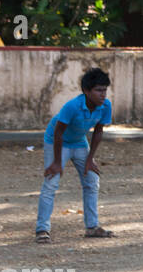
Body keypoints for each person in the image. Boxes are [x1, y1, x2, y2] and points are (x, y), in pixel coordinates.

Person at [35, 67, 114, 242]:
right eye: (98, 90)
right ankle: (42, 230)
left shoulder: (105, 106)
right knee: (51, 182)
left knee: (92, 180)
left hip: (79, 142)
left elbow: (98, 132)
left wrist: (90, 159)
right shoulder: (72, 106)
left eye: (105, 90)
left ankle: (92, 227)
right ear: (86, 91)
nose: (103, 94)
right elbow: (58, 133)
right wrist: (56, 162)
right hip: (57, 141)